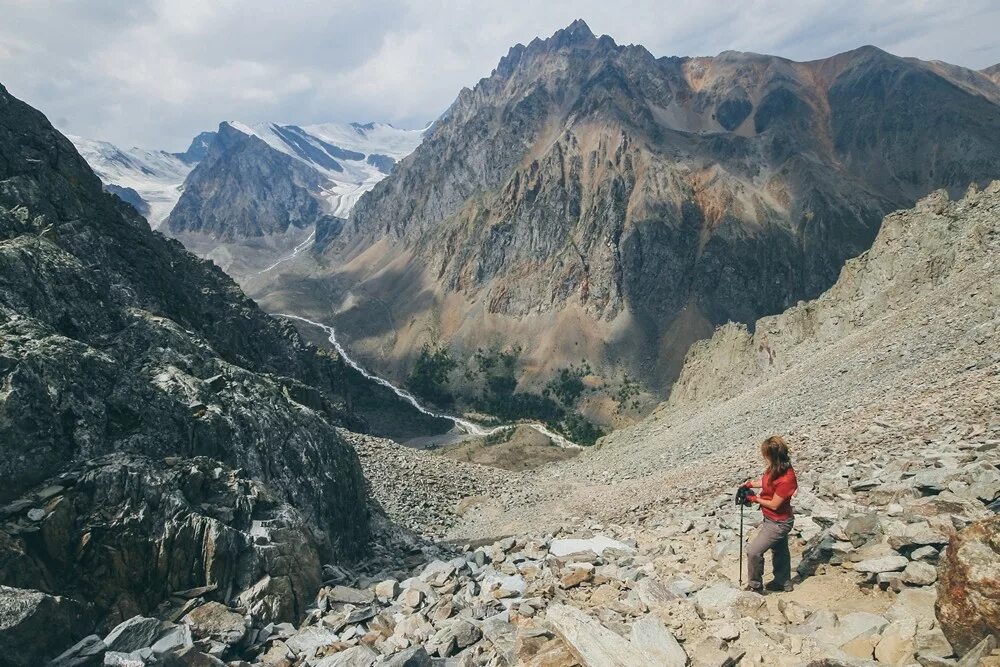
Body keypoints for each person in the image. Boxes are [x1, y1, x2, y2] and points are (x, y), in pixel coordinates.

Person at [741, 435, 798, 592]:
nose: (763, 457)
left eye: (765, 454)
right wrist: (751, 484)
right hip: (773, 519)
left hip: (779, 522)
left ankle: (755, 586)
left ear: (772, 455)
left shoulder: (787, 478)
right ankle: (783, 582)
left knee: (754, 551)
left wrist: (754, 499)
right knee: (779, 549)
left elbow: (774, 504)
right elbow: (767, 483)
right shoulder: (776, 467)